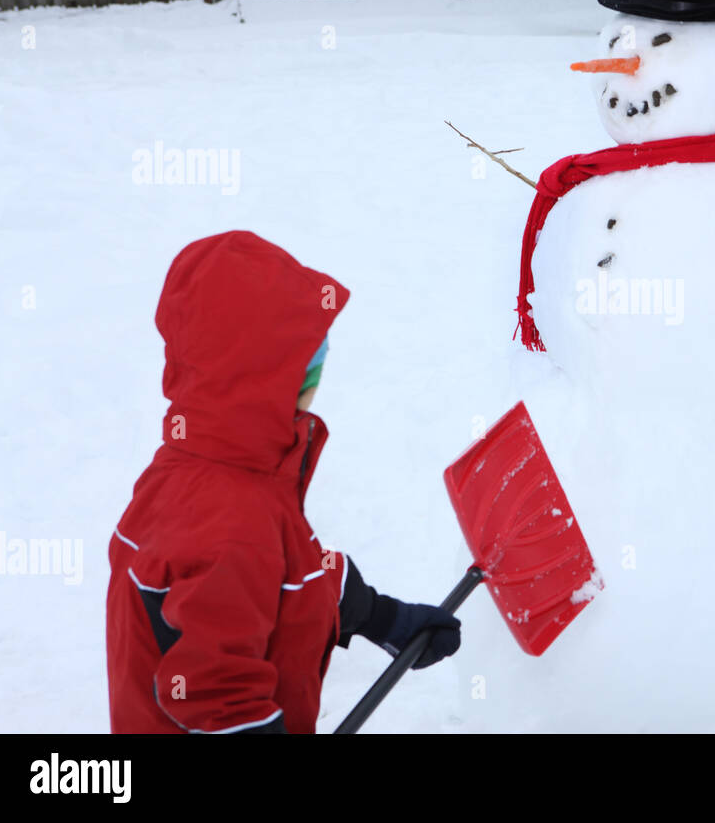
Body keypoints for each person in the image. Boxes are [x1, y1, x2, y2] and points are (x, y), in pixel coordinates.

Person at [106, 230, 460, 733]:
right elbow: (215, 693)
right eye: (307, 368)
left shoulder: (197, 470)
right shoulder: (233, 521)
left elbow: (279, 575)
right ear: (272, 381)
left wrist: (383, 617)